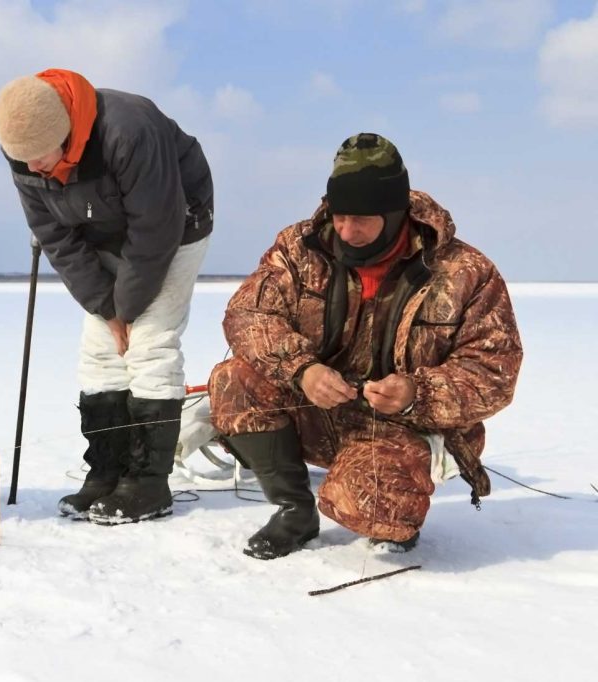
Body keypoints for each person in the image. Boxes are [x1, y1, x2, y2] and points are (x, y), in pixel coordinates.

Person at [208, 133, 522, 559]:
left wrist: (416, 394)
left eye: (362, 220)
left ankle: (394, 516)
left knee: (366, 506)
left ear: (394, 215)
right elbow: (248, 314)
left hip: (403, 428)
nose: (346, 231)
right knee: (234, 381)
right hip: (319, 409)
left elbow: (493, 372)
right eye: (339, 216)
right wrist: (303, 371)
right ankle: (294, 511)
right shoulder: (299, 248)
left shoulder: (466, 272)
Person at [0, 69, 213, 524]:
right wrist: (105, 308)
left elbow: (153, 233)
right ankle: (107, 473)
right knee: (99, 354)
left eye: (40, 160)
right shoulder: (23, 149)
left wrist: (126, 311)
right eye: (23, 162)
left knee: (149, 342)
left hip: (175, 227)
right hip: (101, 230)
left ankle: (148, 484)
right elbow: (56, 237)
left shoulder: (129, 131)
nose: (33, 170)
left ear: (64, 134)